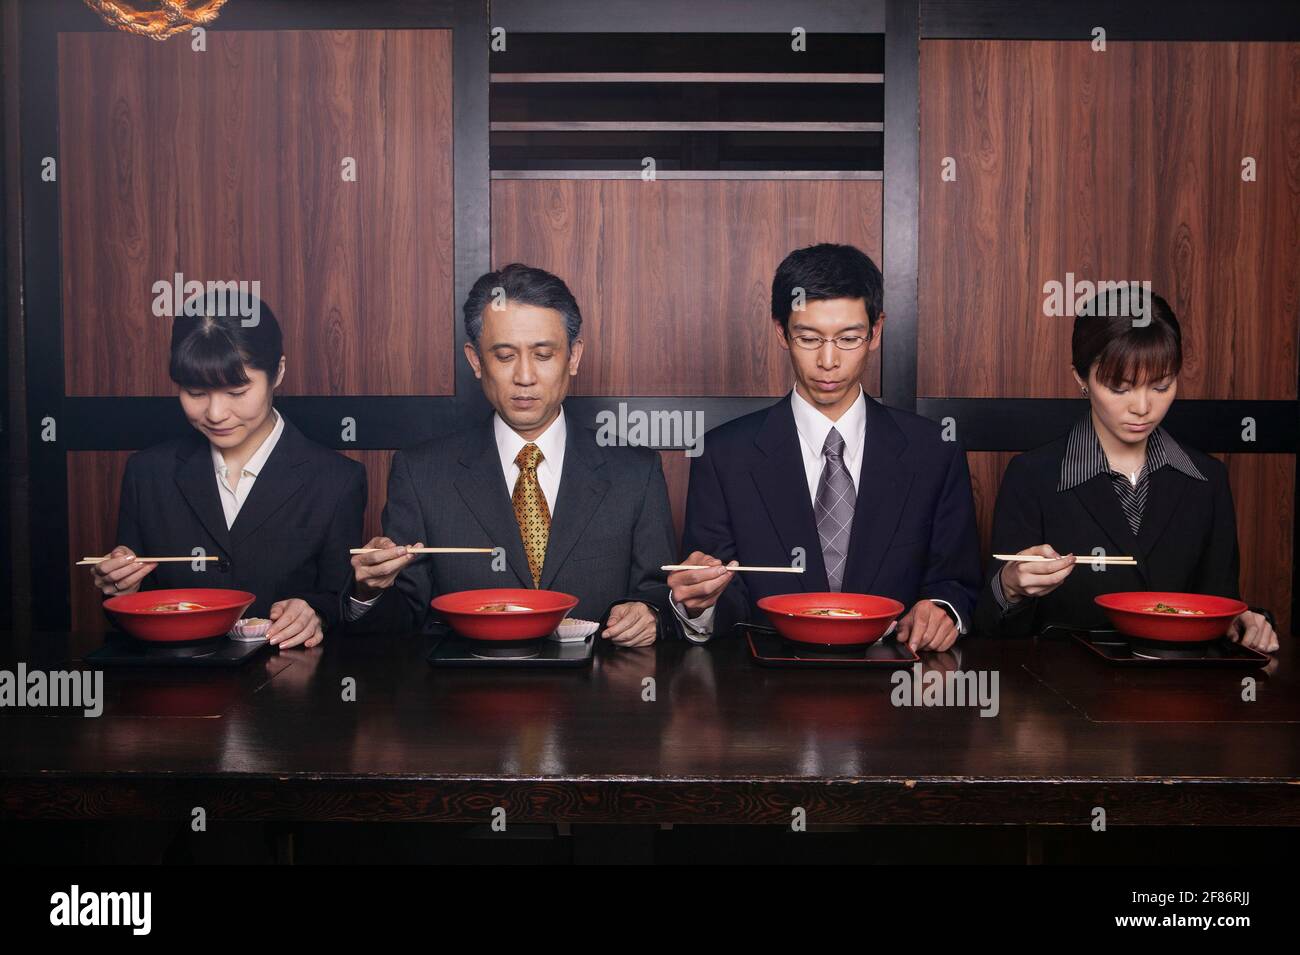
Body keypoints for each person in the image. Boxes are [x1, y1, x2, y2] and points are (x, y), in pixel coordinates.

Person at [668, 243, 981, 652]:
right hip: (765, 686)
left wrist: (941, 608)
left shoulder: (933, 451)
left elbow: (955, 581)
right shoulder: (724, 456)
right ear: (781, 332)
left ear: (876, 331)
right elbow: (724, 594)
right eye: (809, 338)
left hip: (896, 683)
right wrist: (698, 605)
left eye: (849, 338)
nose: (829, 361)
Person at [346, 263, 676, 646]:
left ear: (573, 356)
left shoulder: (636, 472)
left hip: (597, 693)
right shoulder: (421, 473)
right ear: (475, 361)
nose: (524, 376)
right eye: (504, 356)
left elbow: (659, 592)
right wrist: (368, 591)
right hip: (464, 694)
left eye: (543, 354)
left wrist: (650, 613)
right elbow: (402, 619)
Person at [974, 283, 1279, 651]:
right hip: (1064, 694)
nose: (1142, 407)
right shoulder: (1032, 476)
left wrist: (1242, 620)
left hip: (1179, 692)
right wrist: (1009, 586)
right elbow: (992, 630)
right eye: (1120, 388)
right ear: (1080, 379)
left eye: (1161, 386)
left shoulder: (1207, 479)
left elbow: (1218, 605)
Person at [90, 294, 366, 649]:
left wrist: (315, 614)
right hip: (176, 685)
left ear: (278, 372)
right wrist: (122, 592)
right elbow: (128, 613)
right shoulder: (148, 473)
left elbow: (340, 603)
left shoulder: (337, 480)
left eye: (237, 391)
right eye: (195, 392)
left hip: (287, 690)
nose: (216, 413)